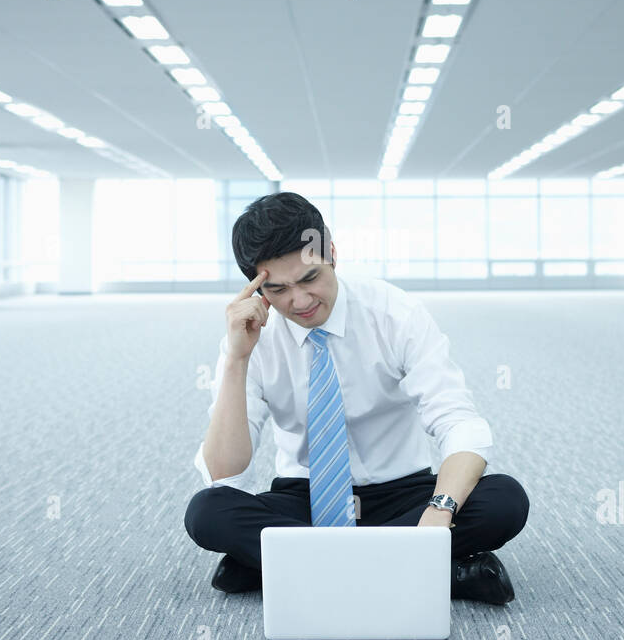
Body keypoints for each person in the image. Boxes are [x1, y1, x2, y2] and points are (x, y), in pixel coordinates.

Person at [183, 192, 529, 605]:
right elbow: (225, 473)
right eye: (278, 289)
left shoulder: (395, 313)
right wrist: (238, 360)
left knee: (504, 499)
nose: (300, 301)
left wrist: (439, 510)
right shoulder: (251, 339)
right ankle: (439, 572)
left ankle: (286, 565)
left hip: (403, 494)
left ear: (332, 254)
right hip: (303, 496)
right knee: (207, 511)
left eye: (310, 278)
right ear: (256, 290)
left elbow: (459, 424)